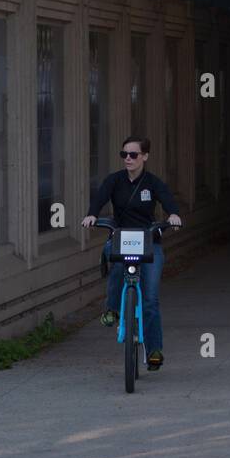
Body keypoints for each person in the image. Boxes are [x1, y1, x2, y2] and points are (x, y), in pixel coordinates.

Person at [82, 135, 183, 372]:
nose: (128, 159)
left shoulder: (153, 183)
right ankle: (113, 309)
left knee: (150, 298)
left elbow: (168, 200)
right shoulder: (114, 181)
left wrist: (173, 215)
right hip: (121, 238)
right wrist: (92, 215)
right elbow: (99, 198)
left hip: (148, 241)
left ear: (145, 157)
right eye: (124, 154)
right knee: (116, 264)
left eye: (133, 155)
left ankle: (154, 349)